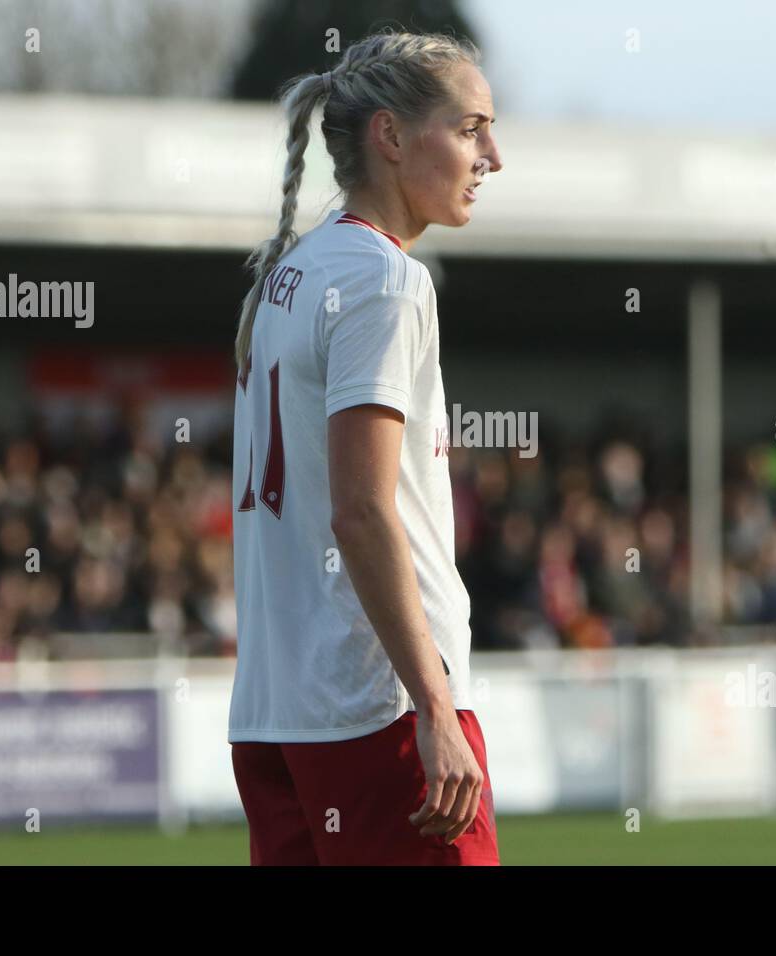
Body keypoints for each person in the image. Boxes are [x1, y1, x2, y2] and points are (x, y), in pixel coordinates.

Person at [227, 29, 504, 865]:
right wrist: (432, 703)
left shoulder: (289, 276)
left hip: (277, 716)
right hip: (376, 709)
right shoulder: (383, 279)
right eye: (469, 128)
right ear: (389, 136)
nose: (492, 155)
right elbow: (361, 510)